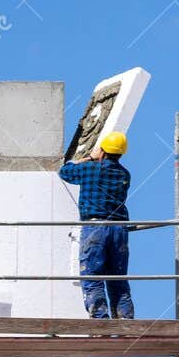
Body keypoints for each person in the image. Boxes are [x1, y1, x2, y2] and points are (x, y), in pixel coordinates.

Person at [58, 131, 133, 320]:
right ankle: (125, 320)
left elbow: (65, 171)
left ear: (103, 150)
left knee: (92, 276)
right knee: (117, 278)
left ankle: (100, 322)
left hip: (95, 228)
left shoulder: (90, 168)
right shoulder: (124, 174)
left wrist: (90, 157)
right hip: (119, 230)